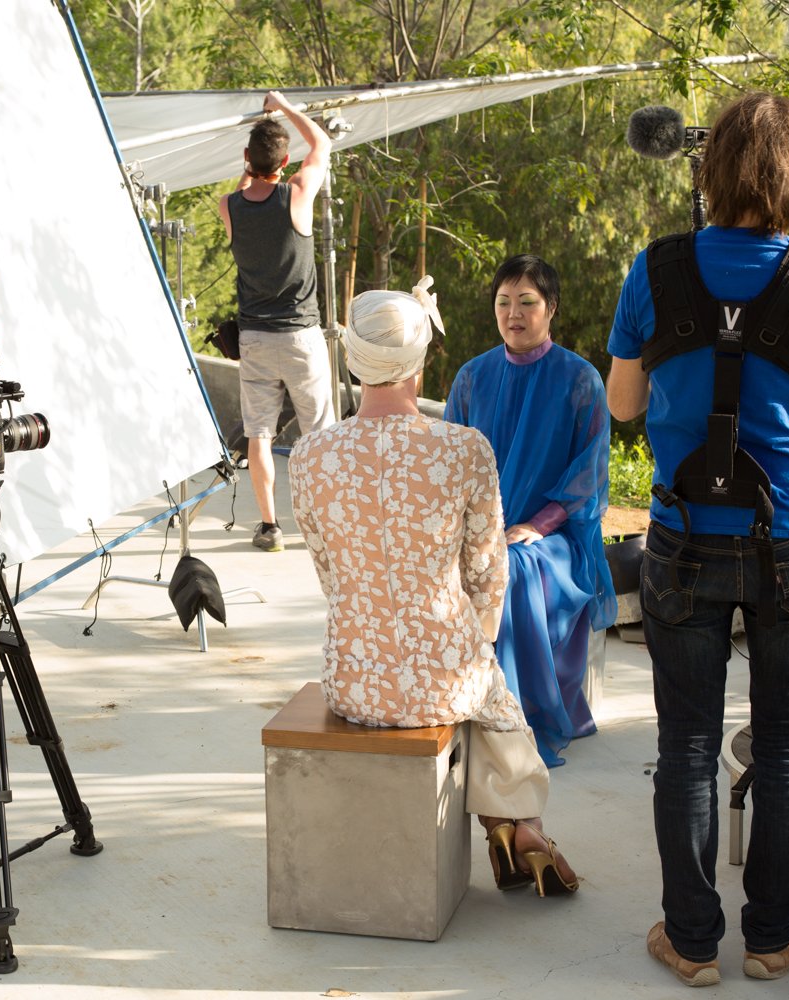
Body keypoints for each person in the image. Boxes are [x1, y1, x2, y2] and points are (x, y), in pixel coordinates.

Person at [607, 92, 789, 986]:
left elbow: (622, 403)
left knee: (687, 741)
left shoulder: (655, 272)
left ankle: (691, 945)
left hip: (684, 537)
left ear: (712, 167)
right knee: (787, 744)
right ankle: (773, 937)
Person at [290, 279, 579, 898]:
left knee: (464, 679)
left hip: (355, 681)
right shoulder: (464, 450)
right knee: (485, 692)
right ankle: (517, 822)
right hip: (447, 677)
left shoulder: (310, 455)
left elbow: (331, 576)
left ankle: (511, 826)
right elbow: (487, 575)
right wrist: (469, 647)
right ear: (420, 361)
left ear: (354, 360)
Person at [443, 255, 615, 767]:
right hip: (479, 526)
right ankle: (454, 700)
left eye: (526, 302)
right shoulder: (472, 377)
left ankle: (512, 715)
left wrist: (535, 526)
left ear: (551, 308)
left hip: (556, 535)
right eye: (503, 302)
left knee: (512, 569)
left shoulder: (580, 380)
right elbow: (449, 465)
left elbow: (589, 476)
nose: (513, 313)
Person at [219, 89, 337, 552]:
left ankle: (269, 528)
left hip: (255, 338)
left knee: (259, 435)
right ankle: (326, 526)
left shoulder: (229, 206)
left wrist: (251, 164)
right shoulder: (297, 196)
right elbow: (322, 145)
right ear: (286, 161)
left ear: (246, 158)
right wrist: (284, 106)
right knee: (320, 437)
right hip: (301, 336)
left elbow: (244, 187)